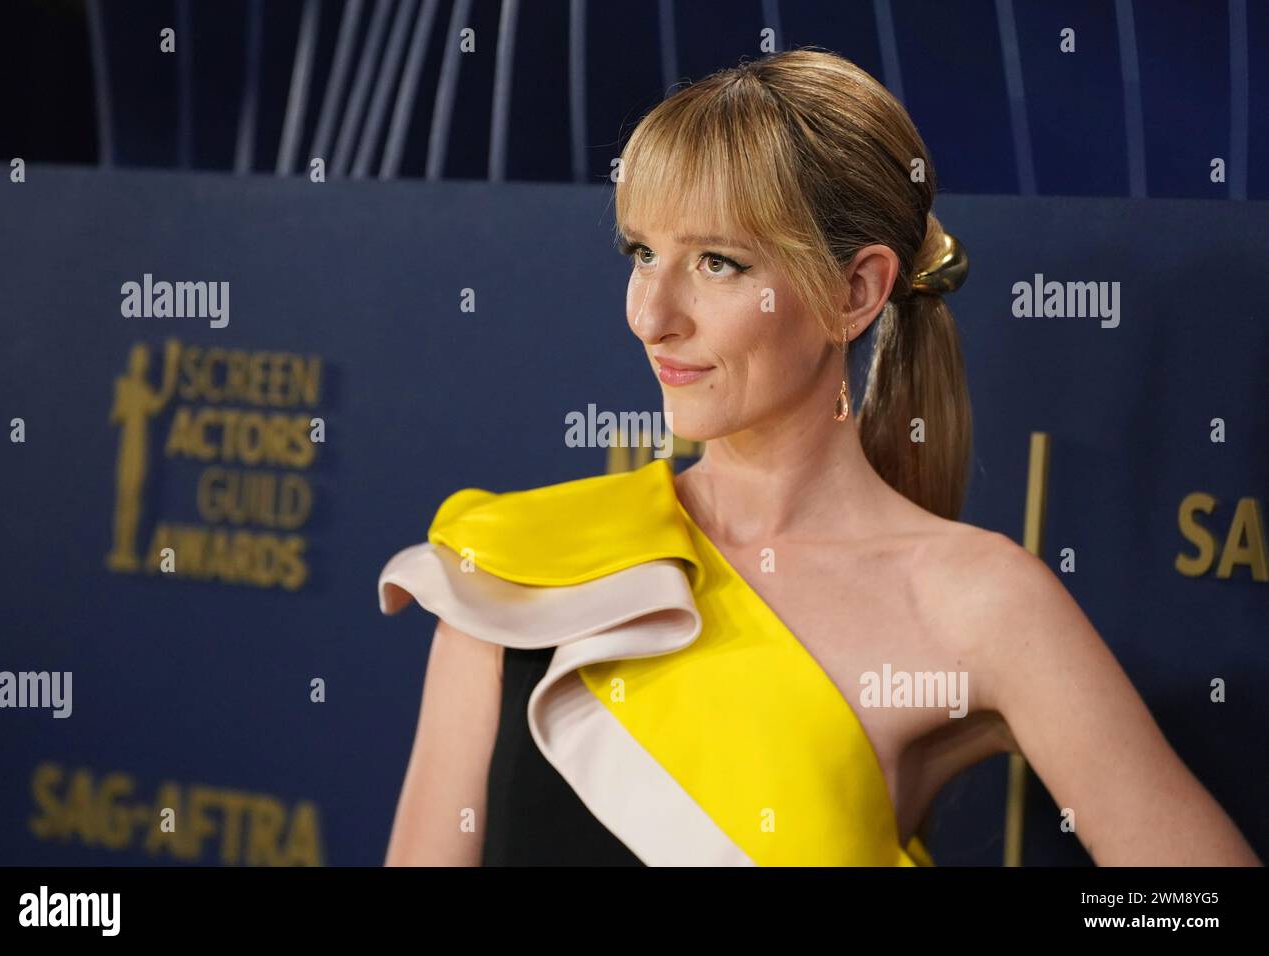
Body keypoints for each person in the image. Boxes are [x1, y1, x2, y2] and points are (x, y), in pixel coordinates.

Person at [377, 49, 1261, 867]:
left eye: (718, 262)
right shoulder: (517, 565)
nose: (652, 316)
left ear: (855, 291)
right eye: (643, 253)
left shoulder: (976, 601)